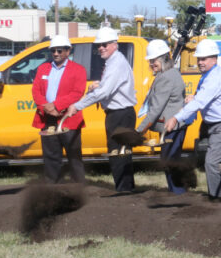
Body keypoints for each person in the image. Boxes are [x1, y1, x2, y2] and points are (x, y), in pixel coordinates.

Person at [165, 39, 221, 201]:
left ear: (214, 59)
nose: (200, 62)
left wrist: (176, 118)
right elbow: (199, 101)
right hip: (217, 123)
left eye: (204, 59)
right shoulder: (208, 75)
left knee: (212, 163)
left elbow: (200, 102)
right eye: (199, 59)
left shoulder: (214, 79)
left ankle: (218, 198)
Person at [67, 27, 137, 193]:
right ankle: (126, 190)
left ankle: (124, 191)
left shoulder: (116, 63)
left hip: (120, 114)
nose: (101, 48)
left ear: (114, 44)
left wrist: (77, 106)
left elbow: (105, 92)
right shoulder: (113, 62)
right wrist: (98, 85)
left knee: (118, 154)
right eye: (98, 45)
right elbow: (107, 87)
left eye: (104, 44)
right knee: (120, 154)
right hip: (118, 114)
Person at [32, 35, 87, 184]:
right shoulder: (43, 68)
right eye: (53, 51)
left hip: (68, 119)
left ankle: (79, 188)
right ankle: (52, 188)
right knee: (50, 157)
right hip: (47, 118)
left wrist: (56, 105)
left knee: (74, 156)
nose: (56, 53)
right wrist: (47, 108)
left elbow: (77, 92)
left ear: (68, 51)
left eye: (59, 50)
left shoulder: (78, 70)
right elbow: (36, 91)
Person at [136, 39, 188, 194]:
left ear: (164, 59)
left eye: (154, 61)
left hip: (171, 128)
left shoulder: (166, 77)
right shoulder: (167, 74)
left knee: (170, 162)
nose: (152, 64)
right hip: (171, 127)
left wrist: (138, 132)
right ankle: (177, 193)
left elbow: (155, 109)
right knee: (169, 162)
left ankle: (179, 195)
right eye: (150, 61)